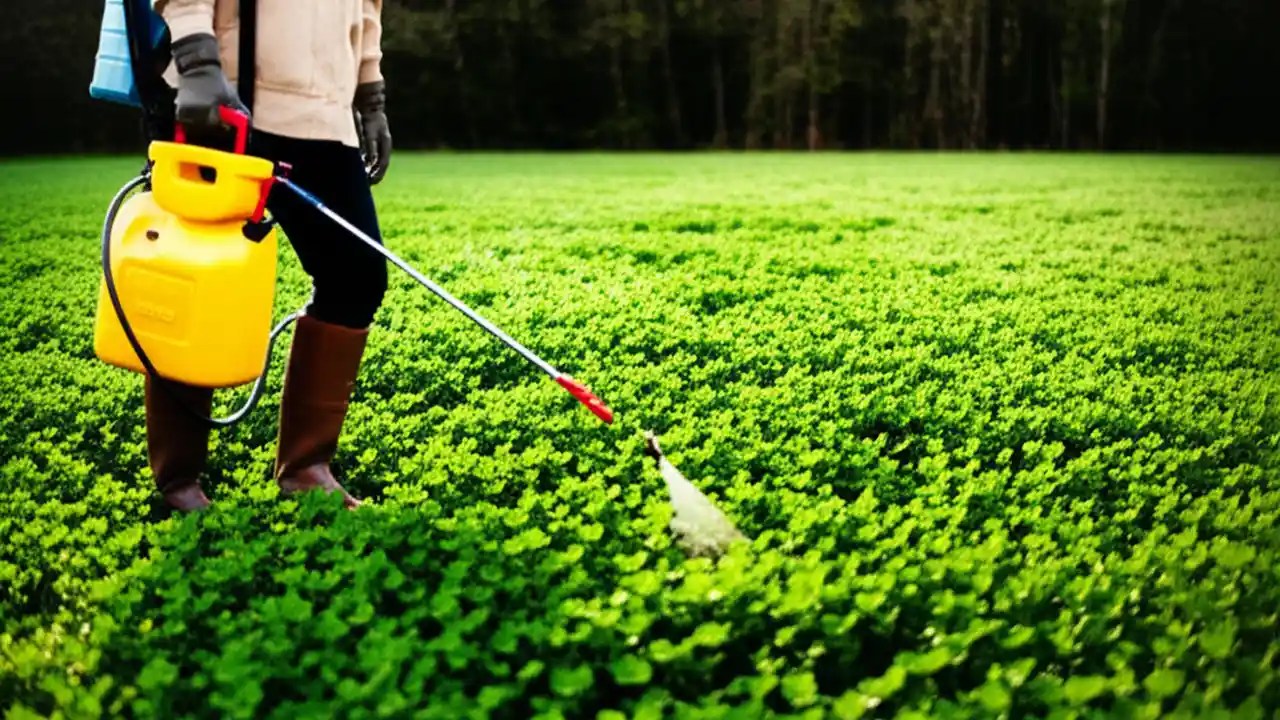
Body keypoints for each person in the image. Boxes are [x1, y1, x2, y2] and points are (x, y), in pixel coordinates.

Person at [146, 0, 391, 512]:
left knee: (356, 277)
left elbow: (367, 7)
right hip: (226, 99)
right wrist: (197, 62)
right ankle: (178, 482)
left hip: (326, 114)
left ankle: (305, 467)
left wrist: (370, 94)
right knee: (197, 276)